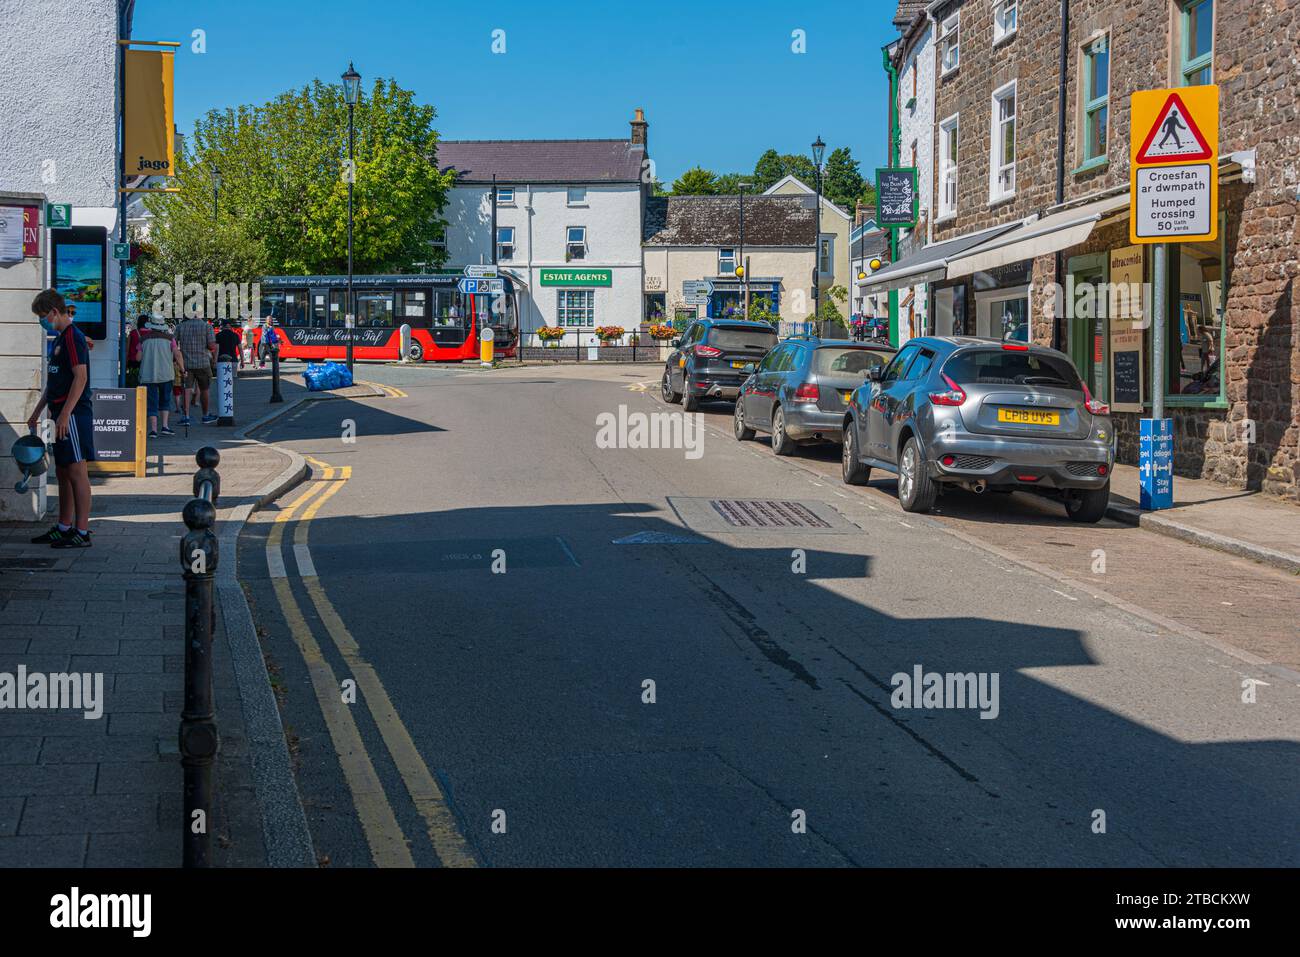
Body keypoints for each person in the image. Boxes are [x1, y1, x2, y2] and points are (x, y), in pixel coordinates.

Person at [26, 289, 95, 548]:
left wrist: (65, 414)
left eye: (43, 316)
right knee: (63, 471)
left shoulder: (72, 338)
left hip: (73, 415)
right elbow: (54, 381)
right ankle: (64, 526)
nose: (42, 321)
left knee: (77, 472)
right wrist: (37, 412)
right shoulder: (59, 338)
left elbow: (81, 377)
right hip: (59, 414)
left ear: (55, 312)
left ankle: (82, 531)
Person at [139, 316, 183, 437]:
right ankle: (165, 426)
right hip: (166, 374)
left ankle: (153, 430)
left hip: (148, 375)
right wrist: (183, 369)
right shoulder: (170, 339)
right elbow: (177, 354)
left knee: (151, 402)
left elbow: (138, 357)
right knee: (165, 400)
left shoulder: (143, 339)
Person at [176, 312, 218, 425]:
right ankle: (205, 415)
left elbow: (174, 344)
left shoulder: (180, 327)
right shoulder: (207, 326)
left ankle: (186, 417)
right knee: (205, 389)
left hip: (186, 364)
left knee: (186, 390)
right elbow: (211, 346)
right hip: (203, 363)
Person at [125, 314, 146, 387]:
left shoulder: (133, 333)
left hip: (133, 361)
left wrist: (126, 362)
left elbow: (127, 349)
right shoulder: (151, 334)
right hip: (146, 362)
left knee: (133, 383)